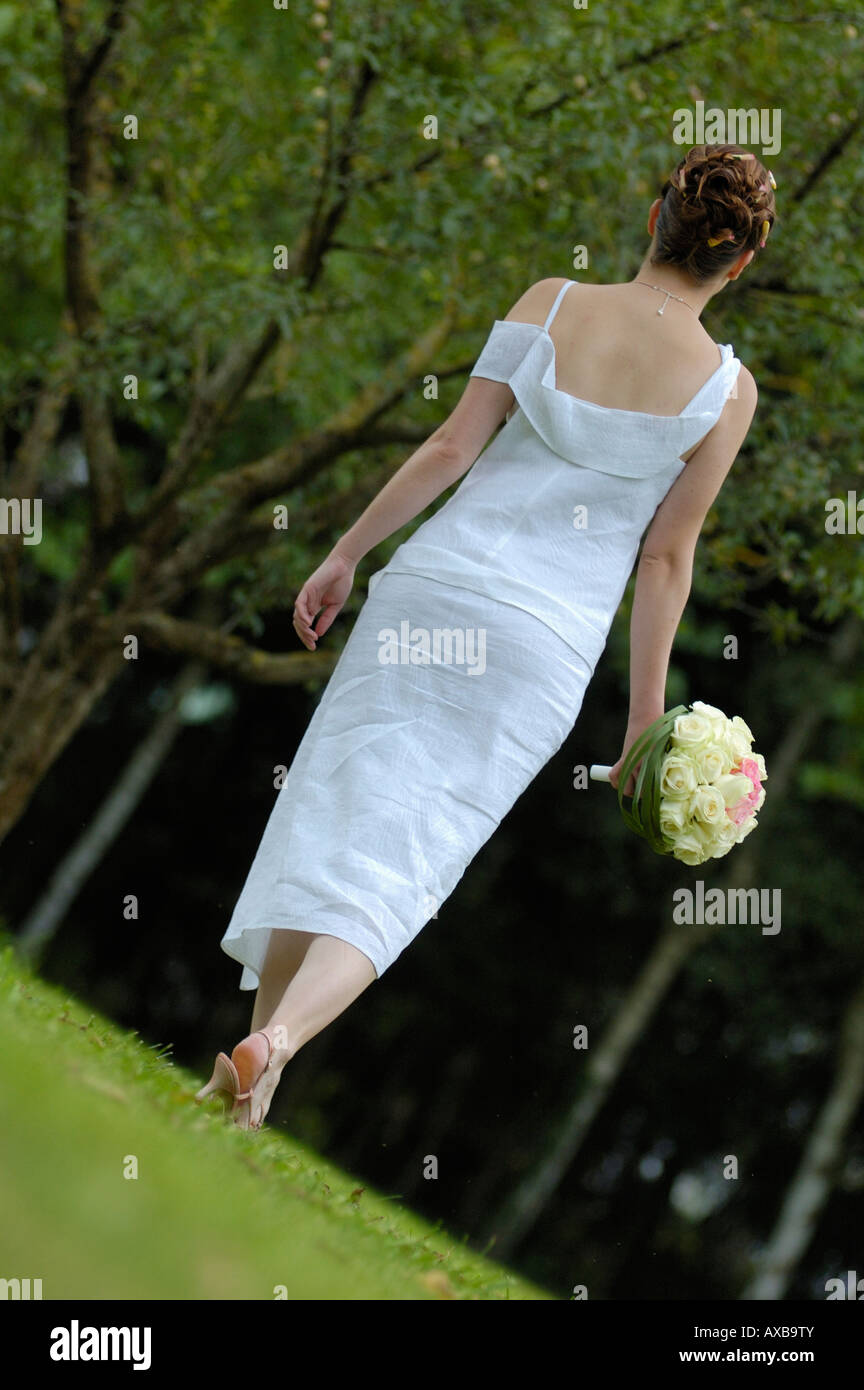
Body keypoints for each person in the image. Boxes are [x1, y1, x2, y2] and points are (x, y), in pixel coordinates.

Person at [196, 143, 775, 1129]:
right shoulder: (727, 392)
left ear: (652, 218)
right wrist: (644, 724)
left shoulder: (549, 301)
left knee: (332, 810)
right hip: (537, 648)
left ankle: (247, 1084)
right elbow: (665, 563)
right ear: (740, 264)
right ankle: (273, 1051)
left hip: (431, 593)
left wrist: (344, 552)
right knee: (413, 848)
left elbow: (449, 447)